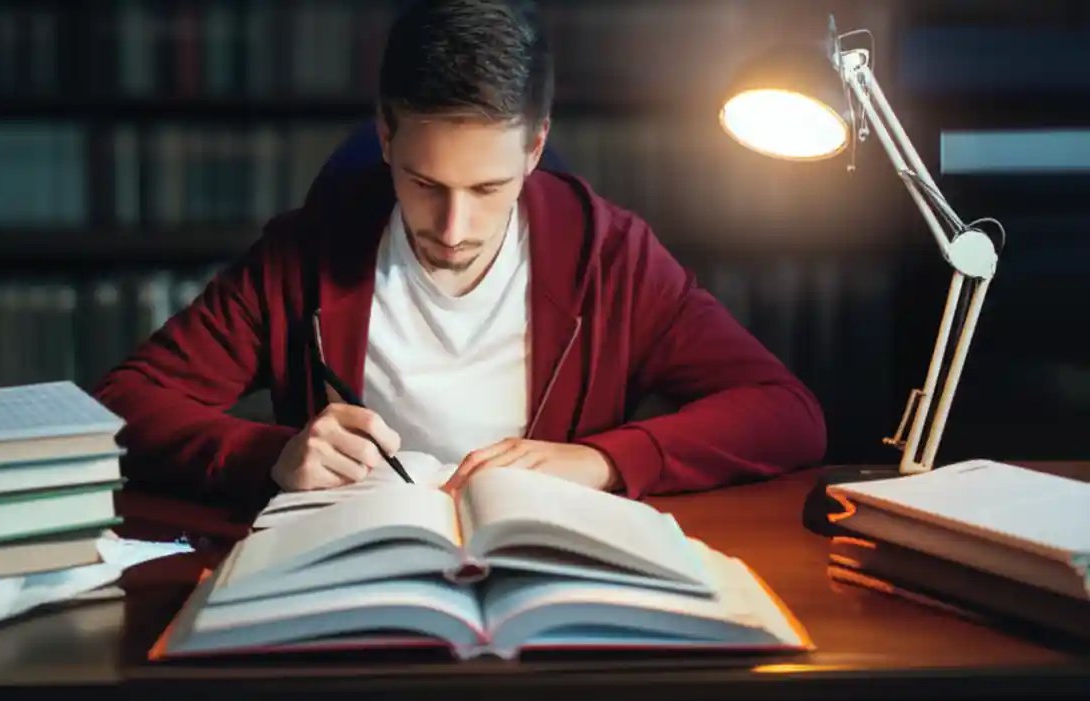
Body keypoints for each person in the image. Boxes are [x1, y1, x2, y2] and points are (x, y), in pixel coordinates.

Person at [93, 0, 826, 513]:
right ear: (384, 136)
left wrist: (605, 460)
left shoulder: (612, 257)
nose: (453, 225)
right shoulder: (305, 251)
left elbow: (787, 416)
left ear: (536, 147)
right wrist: (272, 456)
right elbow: (123, 407)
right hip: (357, 583)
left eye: (488, 186)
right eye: (423, 183)